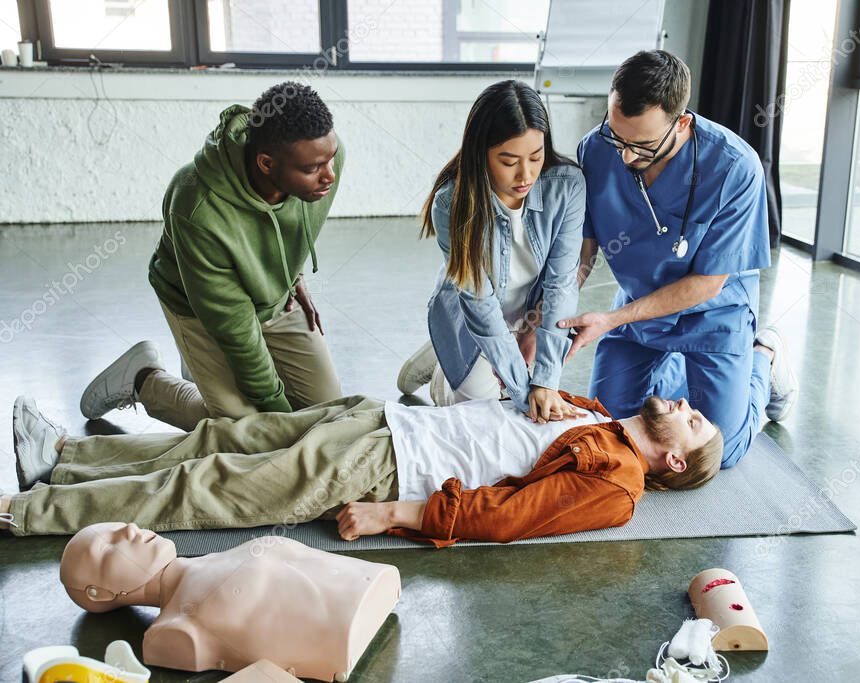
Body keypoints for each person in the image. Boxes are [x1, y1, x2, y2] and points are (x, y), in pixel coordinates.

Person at [2, 379, 726, 544]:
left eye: (692, 422)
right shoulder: (597, 412)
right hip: (380, 417)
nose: (683, 403)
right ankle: (64, 457)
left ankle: (28, 512)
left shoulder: (619, 485)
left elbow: (511, 516)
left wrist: (395, 515)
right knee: (215, 439)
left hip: (388, 465)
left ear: (671, 461)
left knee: (209, 485)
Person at [560, 50, 798, 469]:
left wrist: (611, 320)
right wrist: (550, 315)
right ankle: (676, 369)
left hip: (714, 314)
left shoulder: (735, 168)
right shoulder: (596, 149)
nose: (625, 157)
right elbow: (583, 250)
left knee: (718, 451)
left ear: (682, 123)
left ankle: (763, 355)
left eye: (643, 145)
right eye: (618, 137)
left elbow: (707, 283)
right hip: (639, 309)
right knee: (613, 428)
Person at [78, 82, 345, 432]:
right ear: (267, 164)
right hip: (199, 306)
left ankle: (214, 381)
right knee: (246, 431)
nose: (330, 175)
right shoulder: (197, 207)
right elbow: (236, 328)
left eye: (330, 158)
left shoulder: (324, 156)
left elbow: (282, 227)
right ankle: (143, 379)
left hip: (274, 297)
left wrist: (294, 275)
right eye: (313, 168)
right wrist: (277, 422)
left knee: (331, 416)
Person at [395, 80, 586, 424]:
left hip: (526, 316)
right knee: (480, 412)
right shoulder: (451, 203)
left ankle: (446, 351)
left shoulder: (568, 185)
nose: (526, 174)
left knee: (525, 402)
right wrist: (524, 391)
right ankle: (443, 362)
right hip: (471, 318)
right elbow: (480, 305)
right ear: (480, 153)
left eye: (536, 156)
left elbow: (561, 284)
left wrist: (545, 381)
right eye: (508, 161)